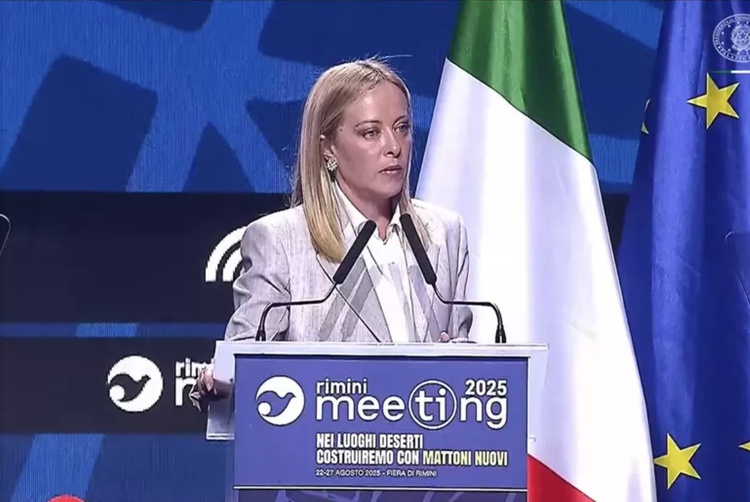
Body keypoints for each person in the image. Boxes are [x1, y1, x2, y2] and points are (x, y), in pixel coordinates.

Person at [191, 58, 473, 409]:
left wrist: (467, 366)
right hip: (321, 441)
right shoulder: (281, 241)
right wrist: (220, 379)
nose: (395, 146)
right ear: (328, 148)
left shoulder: (445, 233)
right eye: (371, 132)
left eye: (402, 128)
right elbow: (243, 361)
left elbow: (461, 351)